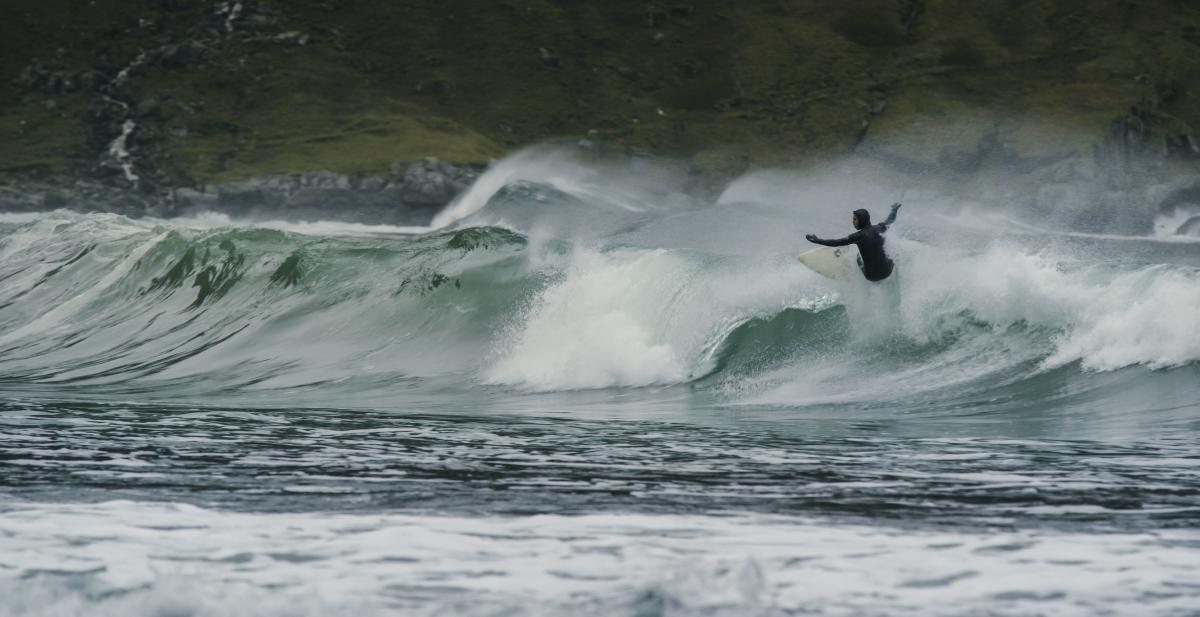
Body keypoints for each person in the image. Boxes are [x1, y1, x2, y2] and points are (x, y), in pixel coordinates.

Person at [805, 203, 901, 282]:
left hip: (871, 277)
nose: (853, 222)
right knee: (892, 252)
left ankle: (847, 265)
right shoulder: (880, 228)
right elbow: (890, 220)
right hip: (887, 272)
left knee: (858, 258)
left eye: (855, 219)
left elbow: (836, 242)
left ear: (861, 220)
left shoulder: (857, 236)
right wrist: (894, 209)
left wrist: (818, 240)